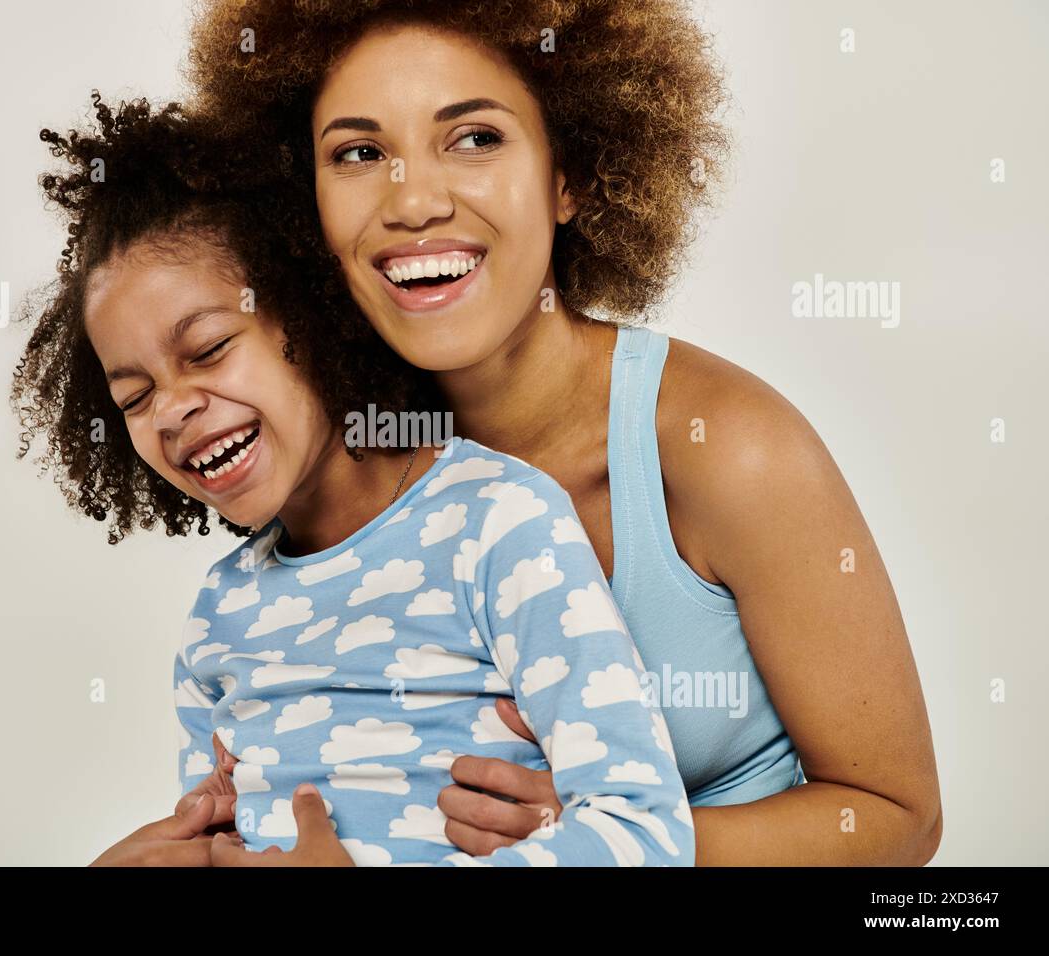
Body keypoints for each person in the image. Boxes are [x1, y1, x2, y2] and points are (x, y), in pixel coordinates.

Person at [184, 0, 943, 864]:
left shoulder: (720, 446)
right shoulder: (339, 467)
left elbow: (898, 816)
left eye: (474, 137)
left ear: (568, 175)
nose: (415, 201)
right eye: (358, 154)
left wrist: (607, 840)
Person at [13, 94, 692, 865]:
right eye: (134, 397)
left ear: (307, 310)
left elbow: (643, 833)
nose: (172, 409)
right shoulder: (219, 614)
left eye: (207, 349)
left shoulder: (499, 523)